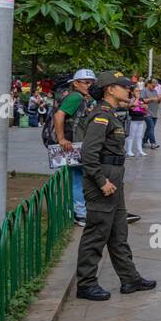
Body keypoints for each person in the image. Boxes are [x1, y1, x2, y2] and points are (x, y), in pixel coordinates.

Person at [74, 71, 156, 301]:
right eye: (123, 86)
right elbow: (89, 154)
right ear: (110, 89)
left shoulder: (111, 114)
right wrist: (101, 181)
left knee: (119, 233)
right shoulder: (100, 115)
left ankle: (129, 278)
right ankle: (86, 283)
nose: (128, 90)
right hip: (103, 179)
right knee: (96, 233)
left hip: (114, 178)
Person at [53, 68, 96, 225]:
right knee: (80, 177)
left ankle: (78, 210)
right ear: (76, 83)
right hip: (75, 145)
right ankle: (80, 213)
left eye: (92, 83)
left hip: (79, 144)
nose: (89, 85)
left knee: (79, 177)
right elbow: (59, 115)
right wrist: (61, 138)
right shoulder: (75, 97)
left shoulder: (82, 97)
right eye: (86, 82)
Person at [140, 79, 161, 149]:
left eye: (155, 86)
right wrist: (152, 99)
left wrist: (160, 99)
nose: (154, 87)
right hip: (146, 112)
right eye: (153, 86)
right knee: (151, 127)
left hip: (155, 112)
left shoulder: (155, 91)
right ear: (148, 84)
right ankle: (153, 143)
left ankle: (144, 141)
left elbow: (157, 101)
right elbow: (142, 100)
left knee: (149, 128)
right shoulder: (144, 90)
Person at [125, 91, 148, 157]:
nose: (138, 92)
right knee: (131, 135)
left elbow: (145, 109)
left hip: (140, 119)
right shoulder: (130, 99)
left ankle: (140, 150)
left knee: (139, 136)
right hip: (133, 119)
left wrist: (145, 107)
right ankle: (129, 150)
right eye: (137, 91)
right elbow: (132, 107)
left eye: (139, 91)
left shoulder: (141, 99)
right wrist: (137, 99)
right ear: (132, 92)